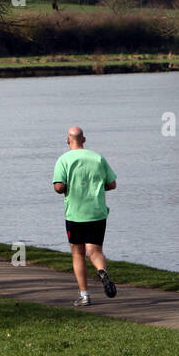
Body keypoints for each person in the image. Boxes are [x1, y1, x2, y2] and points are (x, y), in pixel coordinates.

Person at [52, 126, 118, 305]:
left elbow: (58, 186)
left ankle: (85, 295)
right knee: (95, 251)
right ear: (84, 139)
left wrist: (66, 188)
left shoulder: (63, 160)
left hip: (75, 214)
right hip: (97, 213)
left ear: (68, 140)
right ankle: (101, 270)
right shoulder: (97, 158)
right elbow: (112, 184)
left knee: (78, 254)